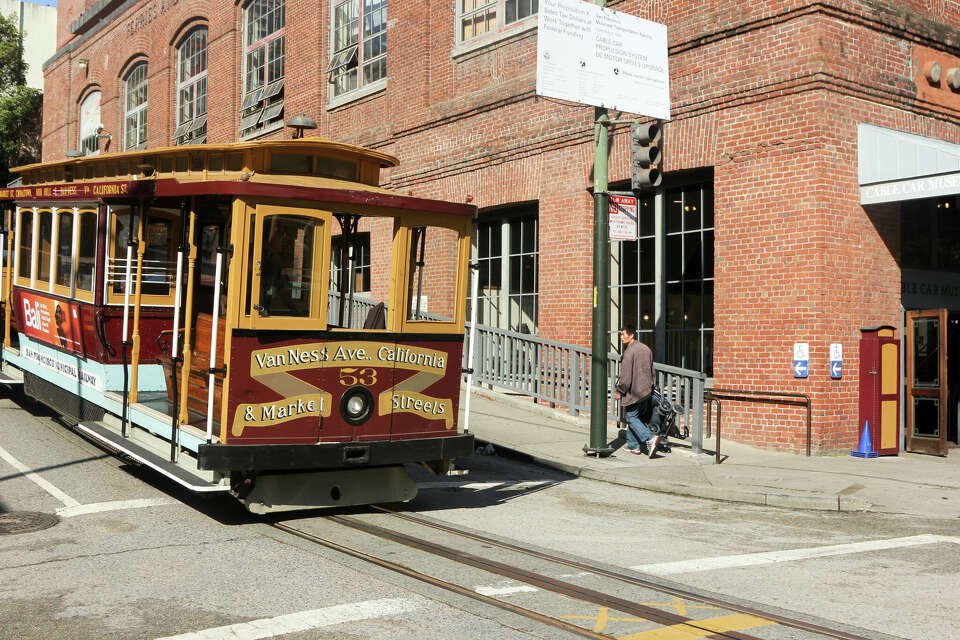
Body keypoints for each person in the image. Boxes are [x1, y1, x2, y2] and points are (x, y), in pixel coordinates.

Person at [614, 325, 660, 458]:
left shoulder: (629, 352)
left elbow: (626, 376)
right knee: (635, 416)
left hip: (635, 391)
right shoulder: (646, 348)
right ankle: (633, 445)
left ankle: (650, 438)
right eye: (621, 335)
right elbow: (652, 370)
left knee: (631, 417)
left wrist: (620, 391)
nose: (621, 337)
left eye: (623, 334)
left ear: (631, 335)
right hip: (646, 390)